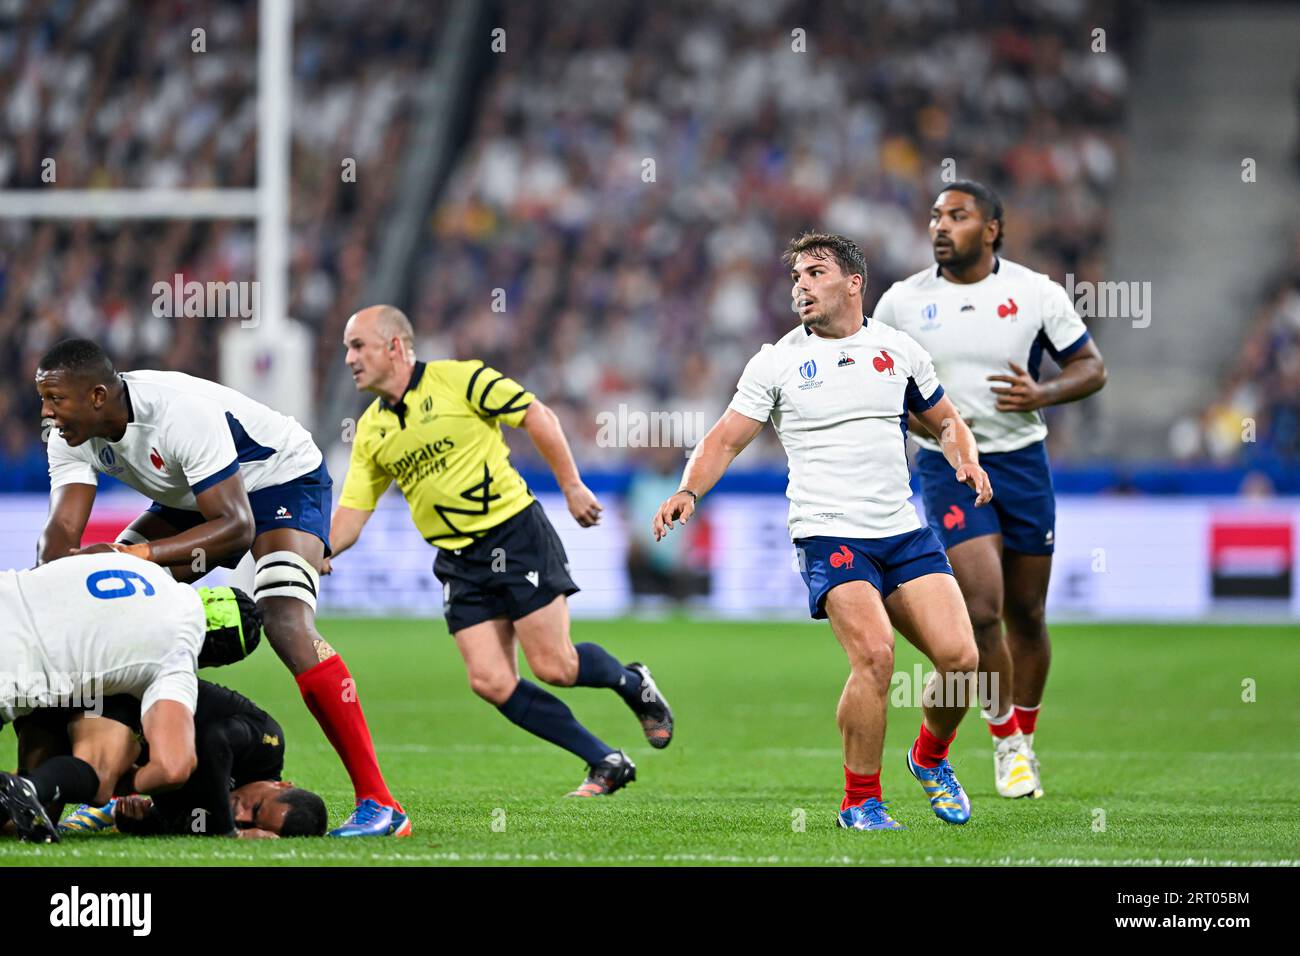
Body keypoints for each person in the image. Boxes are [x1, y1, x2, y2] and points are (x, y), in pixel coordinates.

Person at [654, 232, 992, 831]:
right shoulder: (777, 360)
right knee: (876, 656)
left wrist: (964, 454)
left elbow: (946, 421)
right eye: (796, 277)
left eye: (815, 273)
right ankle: (860, 802)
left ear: (853, 282)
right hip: (829, 535)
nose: (800, 286)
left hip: (900, 531)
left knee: (963, 659)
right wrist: (688, 490)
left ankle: (930, 758)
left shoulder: (898, 350)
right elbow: (725, 438)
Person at [34, 339, 406, 836]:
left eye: (56, 400)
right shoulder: (68, 432)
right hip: (197, 494)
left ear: (97, 396)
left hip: (279, 480)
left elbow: (236, 528)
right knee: (114, 610)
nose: (46, 412)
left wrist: (139, 555)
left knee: (284, 620)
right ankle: (114, 787)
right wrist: (57, 583)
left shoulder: (176, 415)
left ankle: (381, 804)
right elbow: (61, 531)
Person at [329, 305, 672, 797]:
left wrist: (571, 486)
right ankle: (605, 760)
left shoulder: (459, 380)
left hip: (514, 535)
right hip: (458, 562)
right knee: (490, 681)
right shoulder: (371, 431)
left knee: (555, 667)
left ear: (394, 347)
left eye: (357, 345)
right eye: (347, 348)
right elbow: (352, 514)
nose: (349, 358)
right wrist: (319, 551)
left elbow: (537, 414)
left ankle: (631, 682)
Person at [873, 182, 1107, 798]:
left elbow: (1091, 367)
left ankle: (1024, 738)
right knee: (981, 610)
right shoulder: (901, 303)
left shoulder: (1035, 293)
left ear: (992, 229)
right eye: (935, 216)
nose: (940, 226)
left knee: (1027, 613)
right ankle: (1005, 743)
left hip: (1022, 462)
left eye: (958, 215)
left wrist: (1043, 393)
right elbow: (878, 383)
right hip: (946, 466)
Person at [0, 552, 207, 843]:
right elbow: (174, 769)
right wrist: (113, 787)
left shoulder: (145, 570)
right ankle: (28, 789)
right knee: (96, 777)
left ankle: (25, 790)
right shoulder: (179, 653)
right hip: (14, 666)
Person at [57, 680, 328, 839]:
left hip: (112, 730)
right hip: (115, 692)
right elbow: (213, 739)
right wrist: (228, 831)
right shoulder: (266, 747)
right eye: (255, 807)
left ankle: (104, 804)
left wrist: (134, 817)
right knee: (97, 784)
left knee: (26, 820)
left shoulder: (215, 814)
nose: (240, 814)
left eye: (250, 824)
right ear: (283, 785)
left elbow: (169, 822)